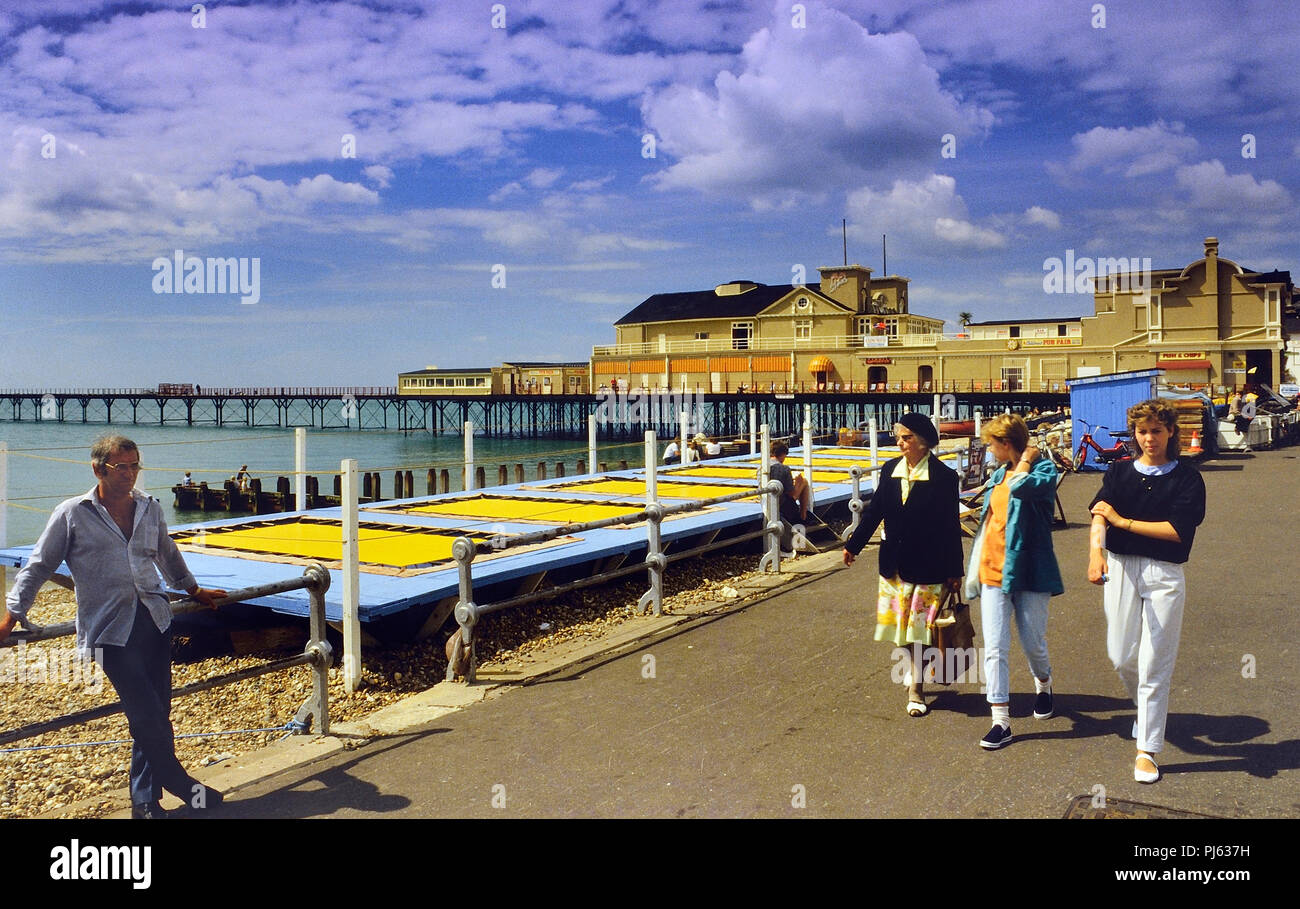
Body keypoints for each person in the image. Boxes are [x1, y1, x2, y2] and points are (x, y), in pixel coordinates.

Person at [0, 434, 228, 818]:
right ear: (98, 469)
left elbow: (167, 552)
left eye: (134, 465)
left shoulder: (149, 508)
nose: (129, 474)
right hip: (108, 628)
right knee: (145, 714)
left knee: (156, 711)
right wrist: (12, 614)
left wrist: (193, 588)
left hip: (154, 619)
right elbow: (38, 565)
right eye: (120, 466)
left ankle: (145, 803)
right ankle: (183, 785)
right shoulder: (72, 513)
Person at [1088, 399, 1205, 783]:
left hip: (1164, 573)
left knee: (1156, 662)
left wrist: (1123, 520)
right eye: (1142, 431)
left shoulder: (1187, 478)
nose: (1149, 438)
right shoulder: (1119, 472)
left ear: (1170, 432)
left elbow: (1176, 531)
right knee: (1121, 655)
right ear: (1134, 434)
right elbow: (1098, 514)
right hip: (1120, 567)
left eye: (1156, 430)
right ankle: (1146, 710)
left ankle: (1147, 750)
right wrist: (1095, 552)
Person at [842, 413, 964, 716]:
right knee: (899, 631)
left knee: (919, 630)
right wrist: (853, 545)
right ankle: (914, 671)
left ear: (923, 443)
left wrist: (955, 571)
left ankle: (916, 689)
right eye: (898, 436)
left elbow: (950, 526)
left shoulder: (944, 478)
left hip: (929, 566)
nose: (899, 442)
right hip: (893, 565)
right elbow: (875, 512)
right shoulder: (890, 470)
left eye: (906, 437)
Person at [962, 413, 1063, 750]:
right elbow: (990, 518)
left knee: (1033, 641)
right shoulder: (999, 475)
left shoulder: (1043, 471)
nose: (989, 450)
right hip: (993, 570)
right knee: (995, 648)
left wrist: (1029, 457)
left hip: (1030, 570)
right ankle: (1001, 721)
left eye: (992, 444)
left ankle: (1044, 683)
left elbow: (1021, 488)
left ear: (1007, 444)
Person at [768, 440, 810, 555]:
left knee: (802, 483)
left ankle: (803, 513)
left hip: (766, 502)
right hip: (782, 503)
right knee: (804, 482)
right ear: (782, 454)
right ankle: (803, 514)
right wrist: (797, 483)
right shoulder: (784, 468)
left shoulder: (762, 468)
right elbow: (791, 493)